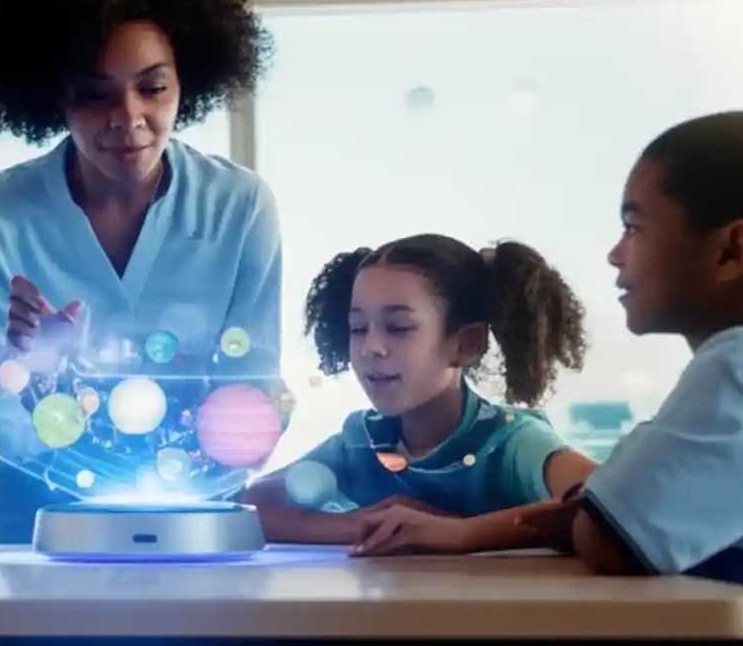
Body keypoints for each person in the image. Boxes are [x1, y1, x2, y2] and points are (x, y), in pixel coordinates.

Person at [0, 0, 280, 544]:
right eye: (94, 95)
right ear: (53, 97)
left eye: (153, 88)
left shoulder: (240, 206)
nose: (129, 118)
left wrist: (198, 455)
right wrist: (38, 369)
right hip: (39, 501)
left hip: (198, 497)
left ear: (187, 81)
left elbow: (251, 388)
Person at [522, 111, 743, 616]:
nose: (616, 254)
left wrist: (587, 516)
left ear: (732, 250)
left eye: (633, 226)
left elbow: (612, 540)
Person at [242, 234, 596, 555]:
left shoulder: (513, 442)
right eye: (358, 328)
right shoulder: (362, 443)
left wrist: (462, 534)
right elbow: (249, 505)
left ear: (466, 343)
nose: (371, 347)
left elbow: (606, 500)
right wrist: (362, 525)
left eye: (398, 328)